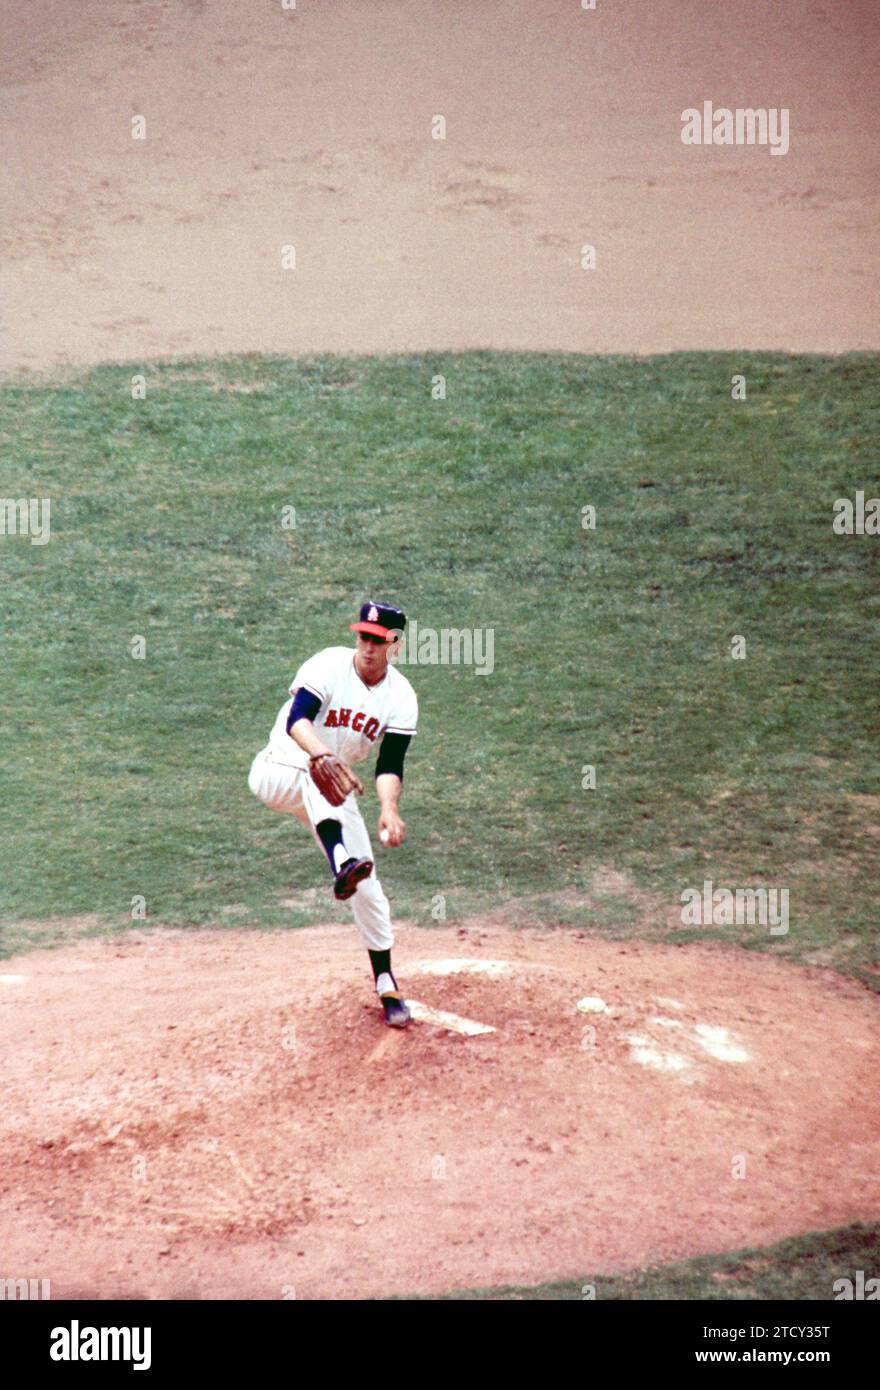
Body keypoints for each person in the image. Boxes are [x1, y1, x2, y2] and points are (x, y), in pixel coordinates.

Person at [247, 601, 418, 1027]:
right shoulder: (328, 664)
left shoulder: (401, 697)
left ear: (395, 644)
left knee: (370, 885)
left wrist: (389, 808)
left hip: (332, 789)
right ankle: (341, 860)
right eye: (363, 637)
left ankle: (386, 982)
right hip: (276, 771)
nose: (368, 647)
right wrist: (323, 754)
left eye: (378, 641)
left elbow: (390, 763)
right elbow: (296, 720)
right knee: (316, 769)